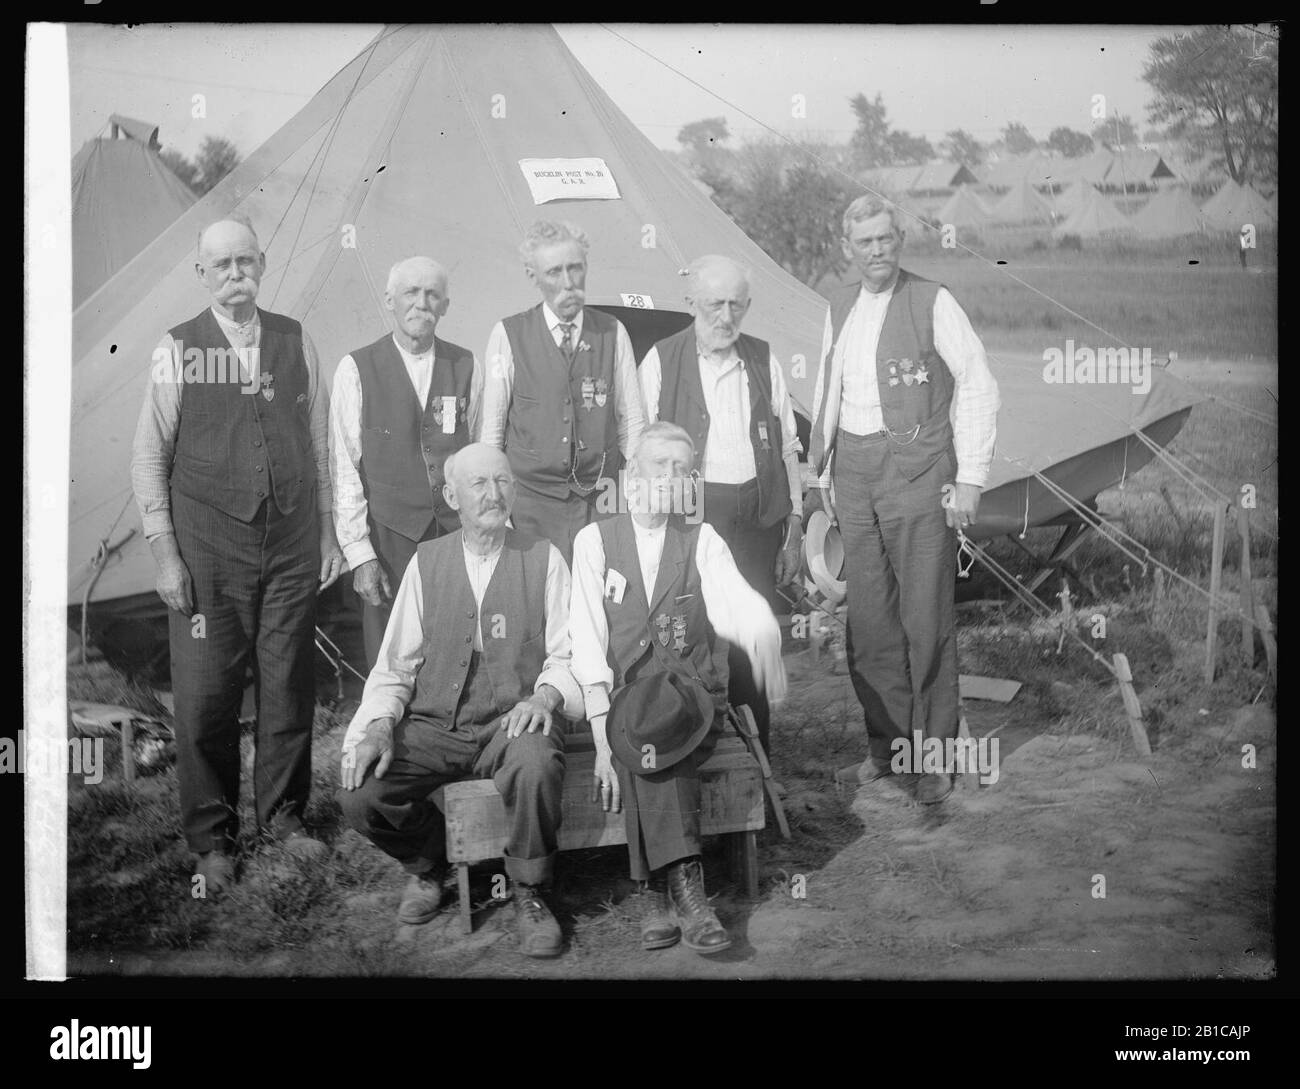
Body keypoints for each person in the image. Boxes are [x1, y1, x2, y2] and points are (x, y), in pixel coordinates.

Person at [131, 215, 344, 895]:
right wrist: (165, 552)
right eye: (221, 264)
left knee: (287, 683)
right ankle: (213, 840)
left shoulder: (293, 338)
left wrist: (330, 534)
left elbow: (319, 447)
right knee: (205, 696)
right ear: (202, 274)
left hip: (287, 543)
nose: (235, 274)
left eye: (246, 261)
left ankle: (284, 818)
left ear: (262, 264)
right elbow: (148, 456)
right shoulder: (178, 347)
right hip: (207, 549)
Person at [337, 444, 582, 958]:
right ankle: (429, 865)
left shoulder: (544, 558)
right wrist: (379, 725)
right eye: (479, 484)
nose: (494, 495)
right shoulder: (427, 563)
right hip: (437, 723)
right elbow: (396, 664)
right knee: (361, 793)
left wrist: (545, 694)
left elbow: (568, 652)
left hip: (511, 722)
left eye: (503, 482)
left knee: (536, 763)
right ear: (452, 496)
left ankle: (530, 890)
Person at [807, 196, 999, 805]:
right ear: (849, 248)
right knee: (869, 623)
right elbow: (827, 390)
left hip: (917, 471)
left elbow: (976, 383)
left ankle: (935, 756)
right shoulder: (838, 307)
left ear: (900, 241)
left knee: (925, 618)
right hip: (854, 471)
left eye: (886, 238)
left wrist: (970, 476)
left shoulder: (933, 301)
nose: (877, 250)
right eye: (865, 241)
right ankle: (888, 754)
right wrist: (820, 474)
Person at [569, 422, 785, 956]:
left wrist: (766, 643)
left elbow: (735, 601)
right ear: (630, 474)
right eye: (660, 464)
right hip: (623, 705)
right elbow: (587, 642)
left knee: (660, 720)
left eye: (683, 469)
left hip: (691, 698)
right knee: (643, 722)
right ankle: (678, 889)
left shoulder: (701, 540)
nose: (672, 477)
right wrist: (599, 738)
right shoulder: (594, 541)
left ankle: (660, 891)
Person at [639, 255, 803, 755]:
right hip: (687, 521)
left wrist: (794, 524)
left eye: (736, 305)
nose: (724, 317)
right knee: (692, 637)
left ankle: (756, 762)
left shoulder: (763, 359)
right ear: (692, 304)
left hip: (754, 522)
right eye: (714, 304)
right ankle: (696, 752)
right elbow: (641, 451)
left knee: (750, 636)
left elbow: (788, 446)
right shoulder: (660, 361)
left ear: (748, 306)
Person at [329, 256, 482, 669]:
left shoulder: (466, 366)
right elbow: (344, 468)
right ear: (389, 301)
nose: (421, 303)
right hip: (389, 538)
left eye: (432, 294)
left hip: (454, 536)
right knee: (392, 654)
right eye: (410, 293)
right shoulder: (356, 368)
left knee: (456, 645)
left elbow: (482, 456)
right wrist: (361, 555)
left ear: (446, 305)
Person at [480, 220, 646, 566]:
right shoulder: (508, 335)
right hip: (531, 504)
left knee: (601, 602)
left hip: (602, 499)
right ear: (533, 276)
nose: (568, 283)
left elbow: (631, 421)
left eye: (575, 268)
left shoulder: (613, 333)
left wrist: (634, 495)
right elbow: (492, 434)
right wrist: (498, 504)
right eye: (554, 272)